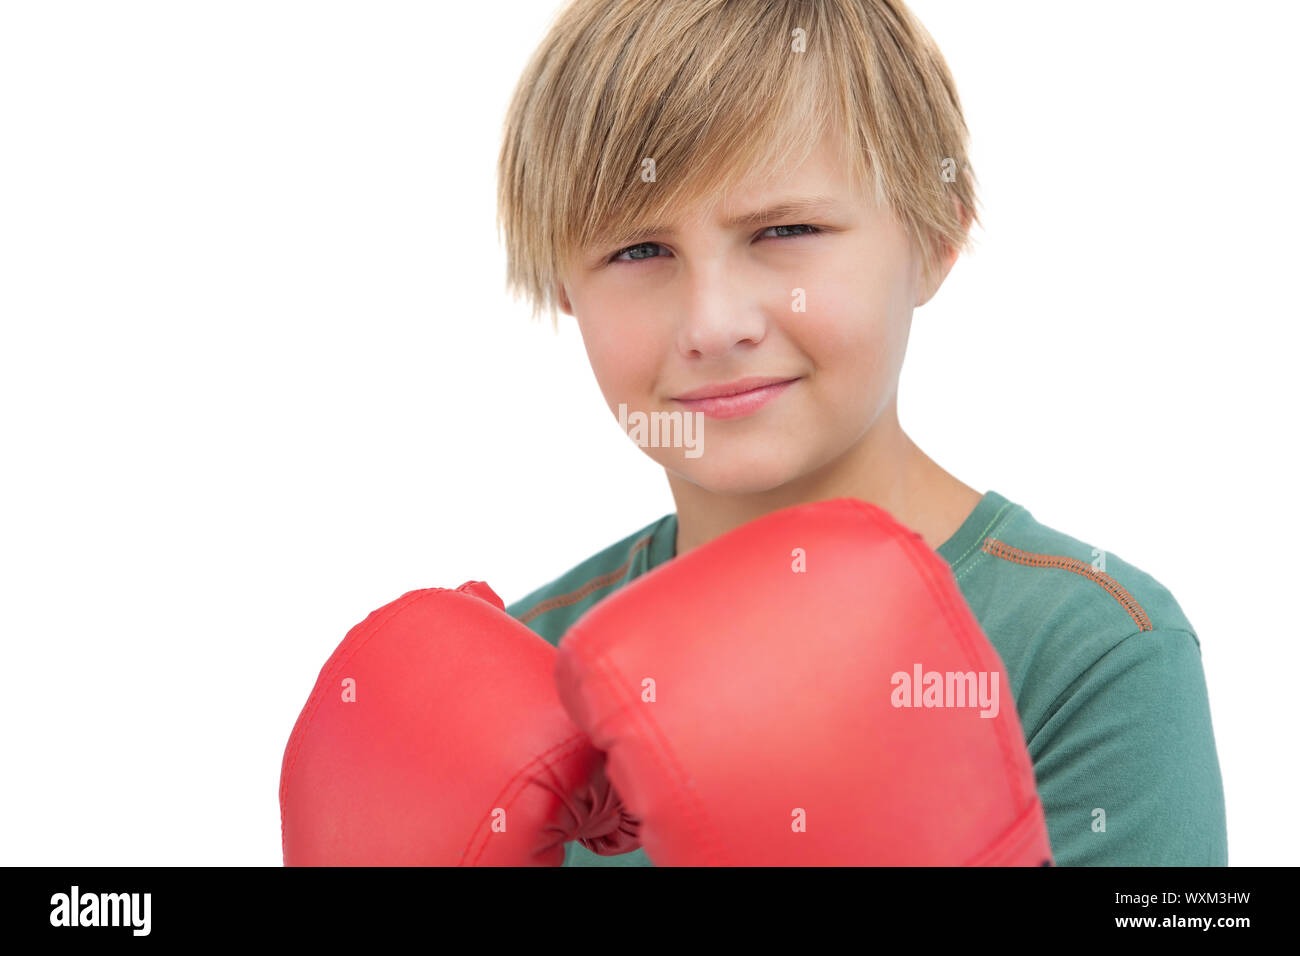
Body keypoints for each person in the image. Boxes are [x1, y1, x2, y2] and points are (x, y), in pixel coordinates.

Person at [495, 0, 1227, 866]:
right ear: (564, 287)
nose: (713, 323)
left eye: (787, 231)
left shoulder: (1098, 654)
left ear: (936, 233)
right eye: (639, 252)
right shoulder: (520, 673)